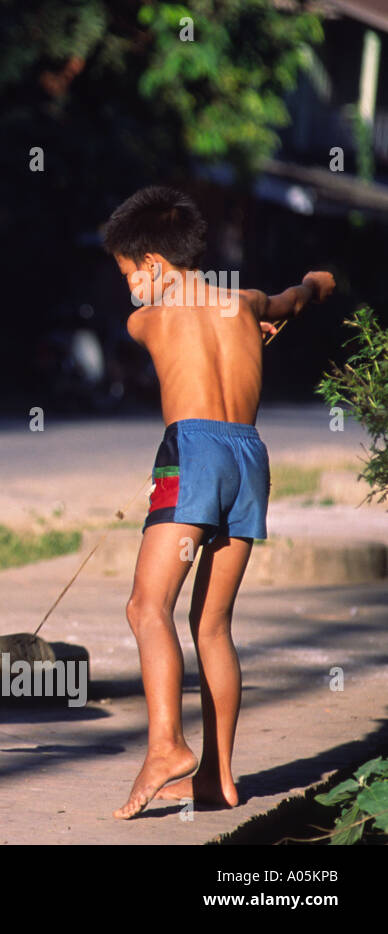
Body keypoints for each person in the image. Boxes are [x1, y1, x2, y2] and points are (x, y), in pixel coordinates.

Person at [101, 185, 335, 818]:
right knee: (212, 625)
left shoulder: (143, 319)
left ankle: (166, 747)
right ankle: (218, 779)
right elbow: (293, 299)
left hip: (193, 452)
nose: (128, 292)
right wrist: (313, 285)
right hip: (250, 457)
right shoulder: (248, 302)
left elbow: (175, 326)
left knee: (147, 606)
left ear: (151, 264)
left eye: (128, 275)